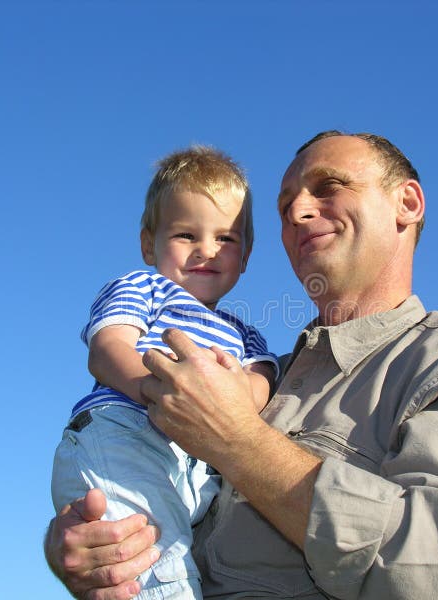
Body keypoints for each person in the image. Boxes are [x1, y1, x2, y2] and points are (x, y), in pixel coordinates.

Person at [45, 131, 438, 600]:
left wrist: (238, 440)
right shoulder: (264, 374)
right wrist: (94, 548)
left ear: (406, 203)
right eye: (285, 205)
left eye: (328, 186)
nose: (297, 212)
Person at [50, 146, 278, 600]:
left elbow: (262, 379)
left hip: (197, 458)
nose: (206, 250)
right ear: (147, 243)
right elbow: (107, 347)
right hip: (127, 429)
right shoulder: (145, 287)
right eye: (185, 234)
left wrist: (235, 402)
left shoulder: (241, 331)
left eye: (226, 239)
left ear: (247, 255)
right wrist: (161, 393)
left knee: (182, 547)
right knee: (156, 559)